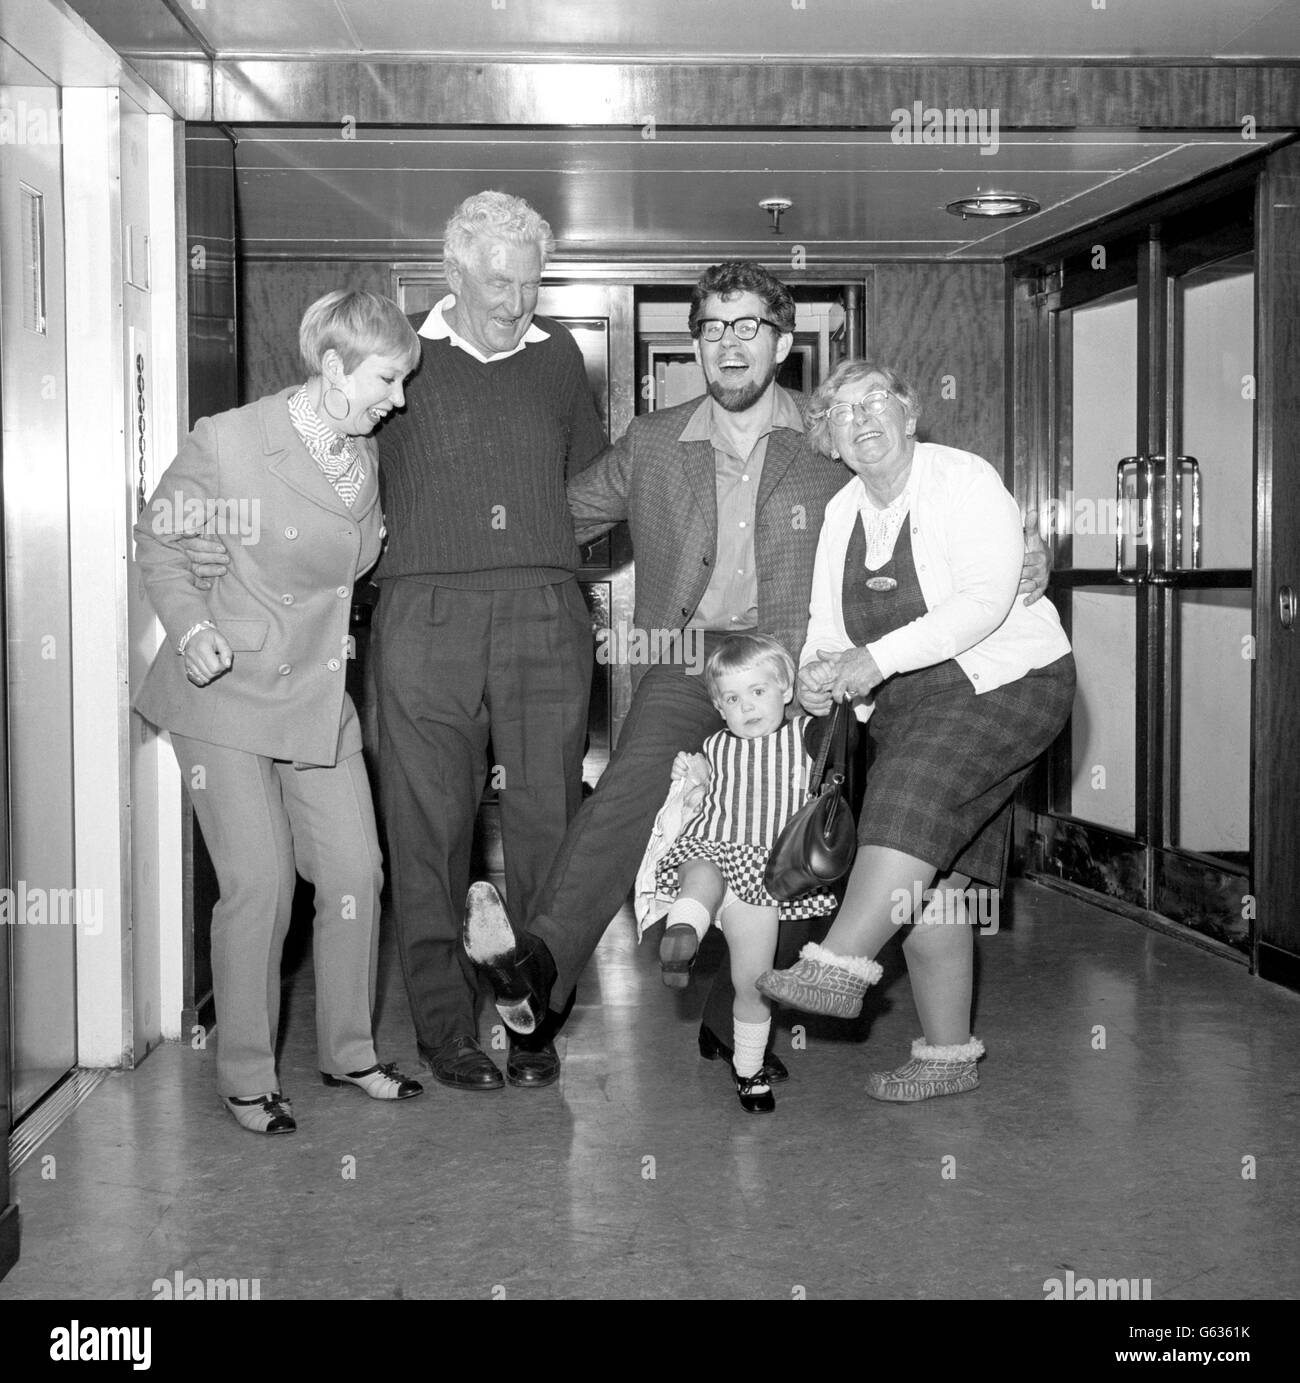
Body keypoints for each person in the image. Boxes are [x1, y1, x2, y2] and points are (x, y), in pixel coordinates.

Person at [463, 261, 1053, 1088]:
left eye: (748, 327)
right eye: (712, 328)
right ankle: (538, 970)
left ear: (781, 342)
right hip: (686, 660)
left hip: (795, 664)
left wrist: (1031, 543)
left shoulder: (827, 432)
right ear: (695, 344)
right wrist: (436, 536)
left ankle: (735, 1011)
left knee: (790, 838)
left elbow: (920, 487)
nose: (729, 344)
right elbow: (552, 522)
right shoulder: (651, 442)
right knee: (633, 792)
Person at [134, 290, 423, 1134]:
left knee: (353, 872)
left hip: (316, 693)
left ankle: (349, 1052)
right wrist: (189, 629)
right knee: (258, 881)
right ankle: (247, 1076)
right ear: (333, 368)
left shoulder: (359, 452)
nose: (396, 399)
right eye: (387, 379)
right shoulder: (228, 441)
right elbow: (164, 544)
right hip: (224, 692)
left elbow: (348, 562)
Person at [755, 360, 1076, 1102]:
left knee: (906, 796)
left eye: (877, 402)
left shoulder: (961, 479)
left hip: (1008, 682)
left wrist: (872, 658)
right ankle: (947, 1058)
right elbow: (827, 630)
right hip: (914, 704)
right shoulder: (840, 513)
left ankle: (839, 964)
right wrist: (814, 672)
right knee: (932, 887)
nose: (863, 420)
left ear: (908, 413)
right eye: (842, 413)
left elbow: (985, 601)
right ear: (828, 440)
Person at [366, 191, 605, 1093]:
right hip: (425, 611)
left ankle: (533, 1014)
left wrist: (545, 553)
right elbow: (340, 463)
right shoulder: (404, 359)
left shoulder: (558, 359)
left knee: (550, 817)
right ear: (453, 272)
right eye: (499, 282)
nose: (517, 301)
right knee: (427, 826)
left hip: (544, 607)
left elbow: (592, 484)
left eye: (531, 283)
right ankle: (444, 1030)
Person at [647, 634, 840, 1114]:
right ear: (718, 706)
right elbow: (693, 800)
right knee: (702, 876)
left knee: (754, 983)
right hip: (712, 849)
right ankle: (682, 937)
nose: (746, 706)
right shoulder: (711, 746)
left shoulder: (805, 738)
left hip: (765, 877)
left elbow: (842, 736)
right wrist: (688, 777)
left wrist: (834, 685)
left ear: (786, 689)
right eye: (732, 698)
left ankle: (749, 1070)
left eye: (759, 691)